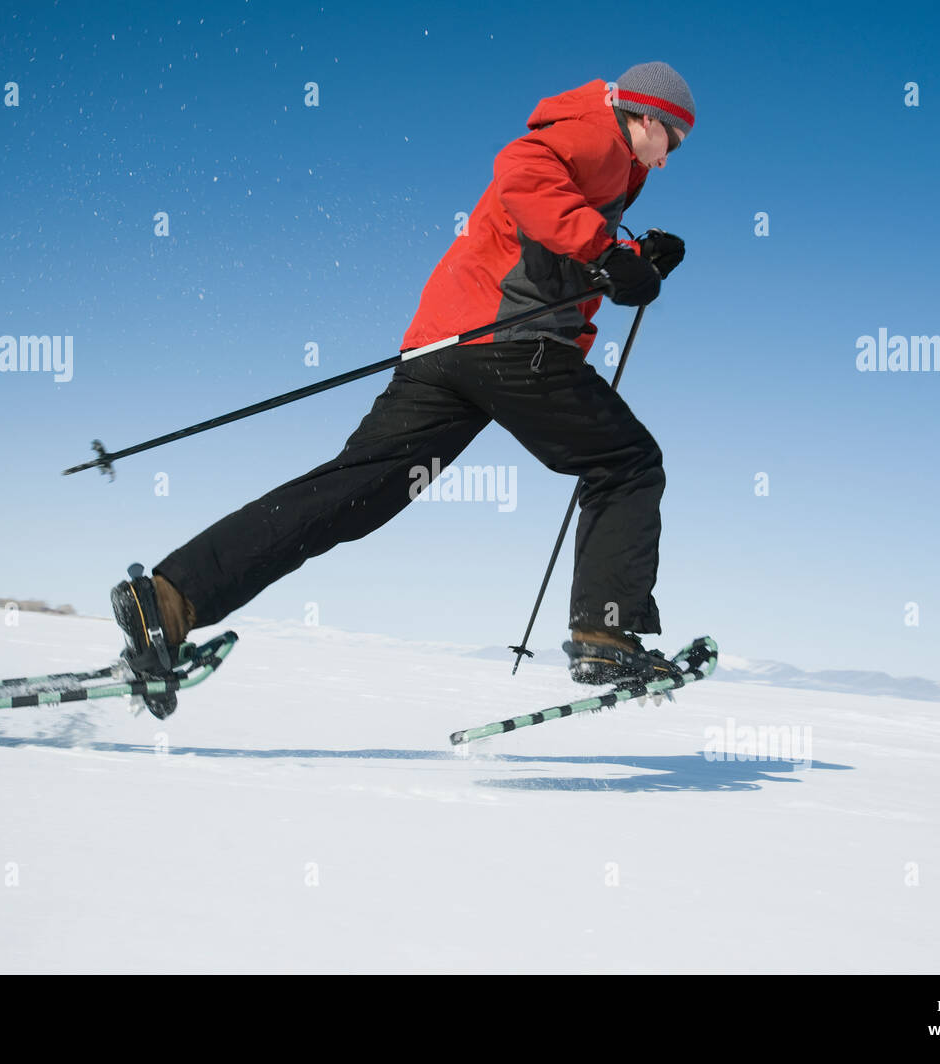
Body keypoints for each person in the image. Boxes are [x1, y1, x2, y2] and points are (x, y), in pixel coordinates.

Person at [111, 61, 696, 718]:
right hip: (510, 347)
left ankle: (169, 597)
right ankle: (604, 634)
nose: (669, 158)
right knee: (626, 463)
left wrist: (633, 254)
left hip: (449, 349)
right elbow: (523, 176)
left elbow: (548, 236)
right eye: (671, 140)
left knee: (353, 492)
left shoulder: (610, 162)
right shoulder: (594, 134)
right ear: (647, 117)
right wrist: (605, 250)